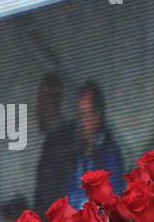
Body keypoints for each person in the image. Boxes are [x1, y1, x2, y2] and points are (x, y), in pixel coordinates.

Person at [34, 79, 123, 211]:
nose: (80, 123)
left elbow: (112, 207)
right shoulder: (72, 152)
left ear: (96, 116)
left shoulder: (109, 158)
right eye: (79, 115)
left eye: (84, 114)